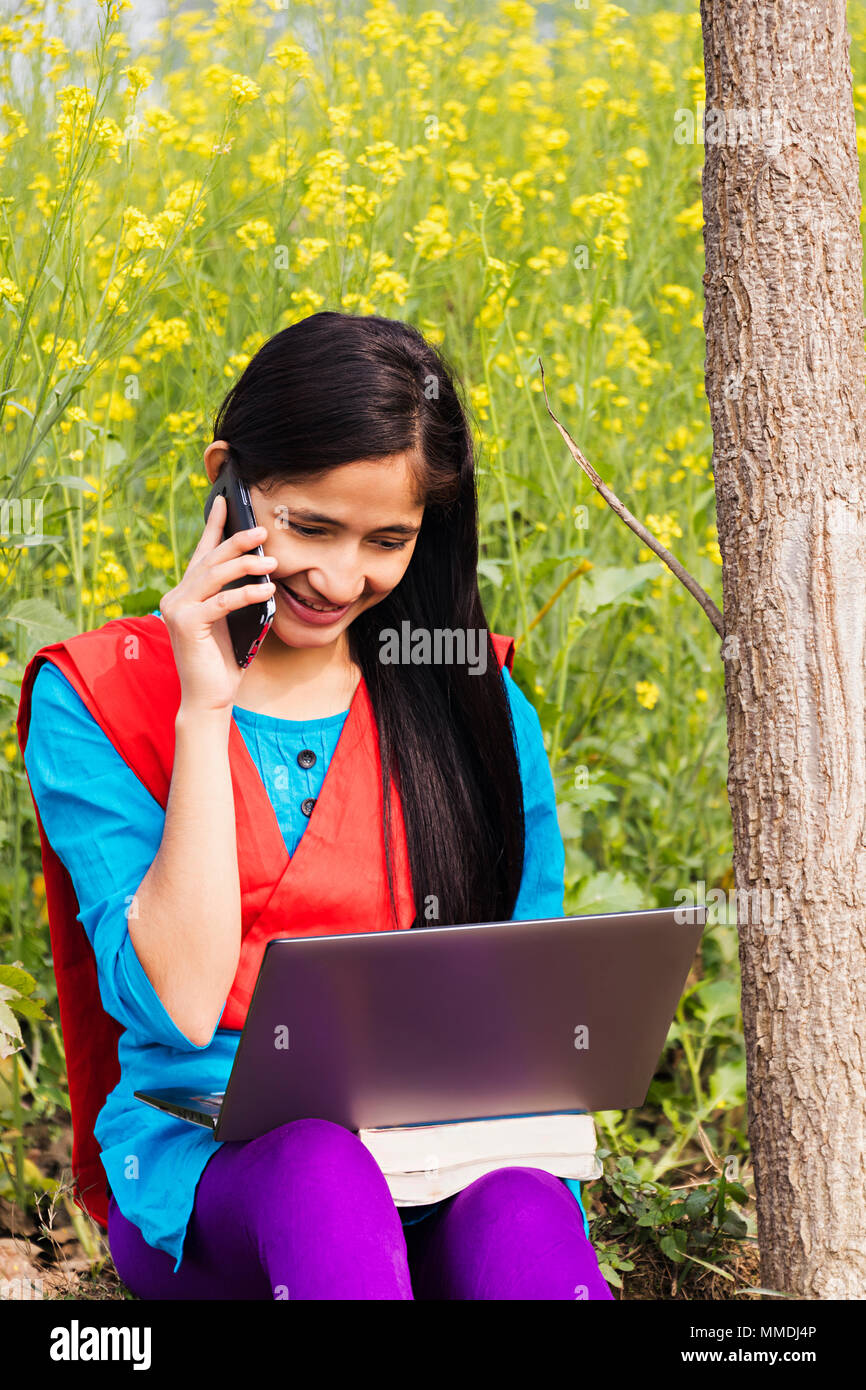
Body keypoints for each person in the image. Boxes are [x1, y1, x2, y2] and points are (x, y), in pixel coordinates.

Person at [17, 311, 614, 1301]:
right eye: (309, 525)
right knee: (320, 1172)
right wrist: (206, 705)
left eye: (387, 540)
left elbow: (522, 996)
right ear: (228, 478)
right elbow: (180, 998)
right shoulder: (100, 698)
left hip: (443, 1159)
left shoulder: (469, 696)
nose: (342, 578)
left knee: (524, 1214)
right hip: (225, 1174)